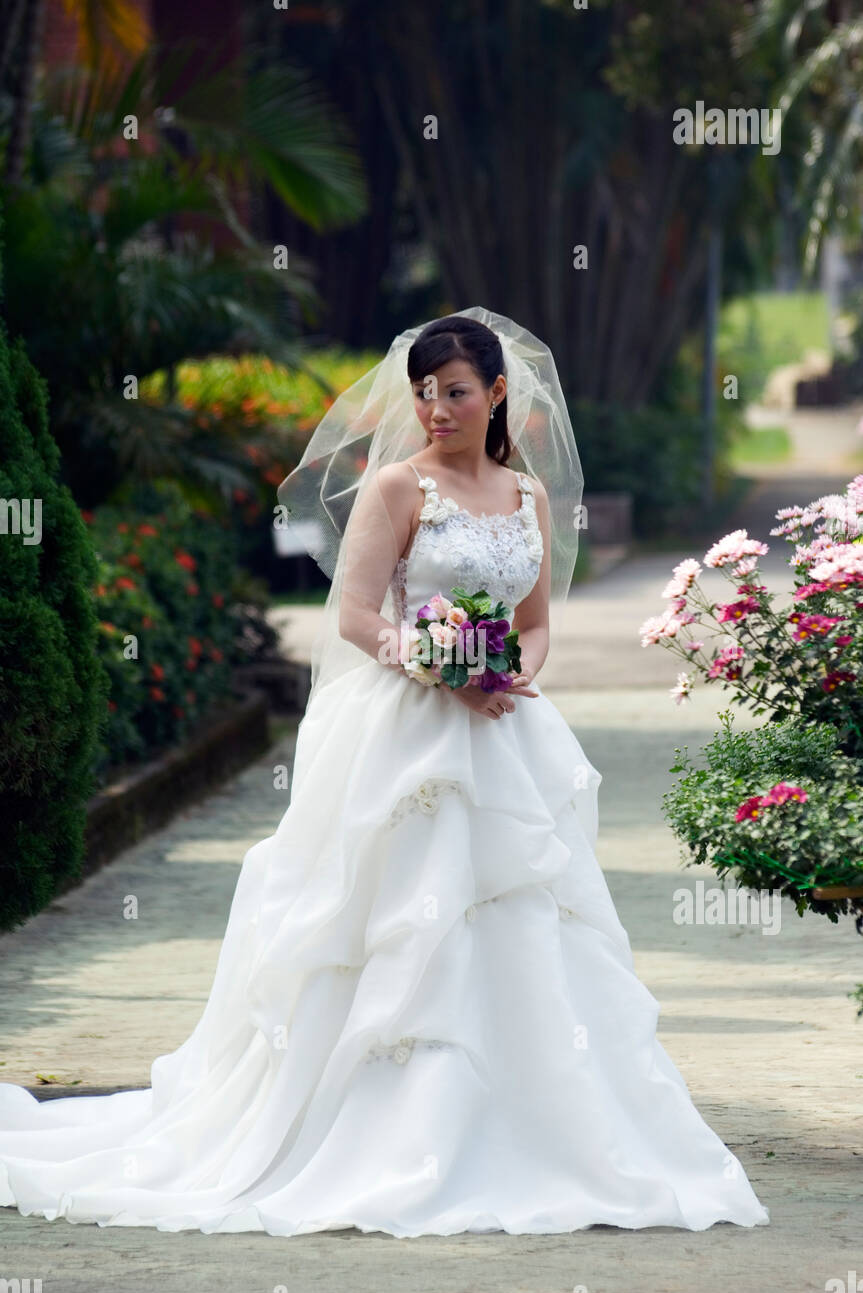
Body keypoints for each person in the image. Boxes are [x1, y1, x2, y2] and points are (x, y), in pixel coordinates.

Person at [0, 309, 769, 1237]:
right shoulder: (396, 487)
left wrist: (508, 675)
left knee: (523, 912)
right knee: (404, 915)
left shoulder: (526, 499)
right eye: (422, 392)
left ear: (496, 397)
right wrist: (441, 664)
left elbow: (534, 624)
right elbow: (357, 615)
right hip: (407, 730)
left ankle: (533, 1125)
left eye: (453, 392)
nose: (435, 408)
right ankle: (382, 1125)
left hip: (504, 734)